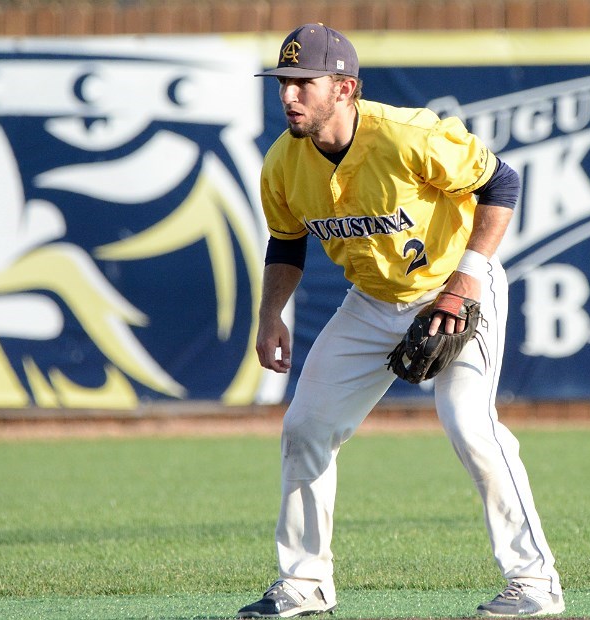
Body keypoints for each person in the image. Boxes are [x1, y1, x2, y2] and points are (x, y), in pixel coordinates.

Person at [238, 23, 564, 619]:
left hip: (455, 288)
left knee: (470, 426)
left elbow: (503, 182)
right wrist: (270, 315)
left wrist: (465, 282)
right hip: (369, 302)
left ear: (344, 88)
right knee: (306, 427)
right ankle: (305, 584)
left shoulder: (409, 135)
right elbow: (287, 243)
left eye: (302, 83)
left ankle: (535, 582)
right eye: (283, 83)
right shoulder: (282, 163)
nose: (288, 96)